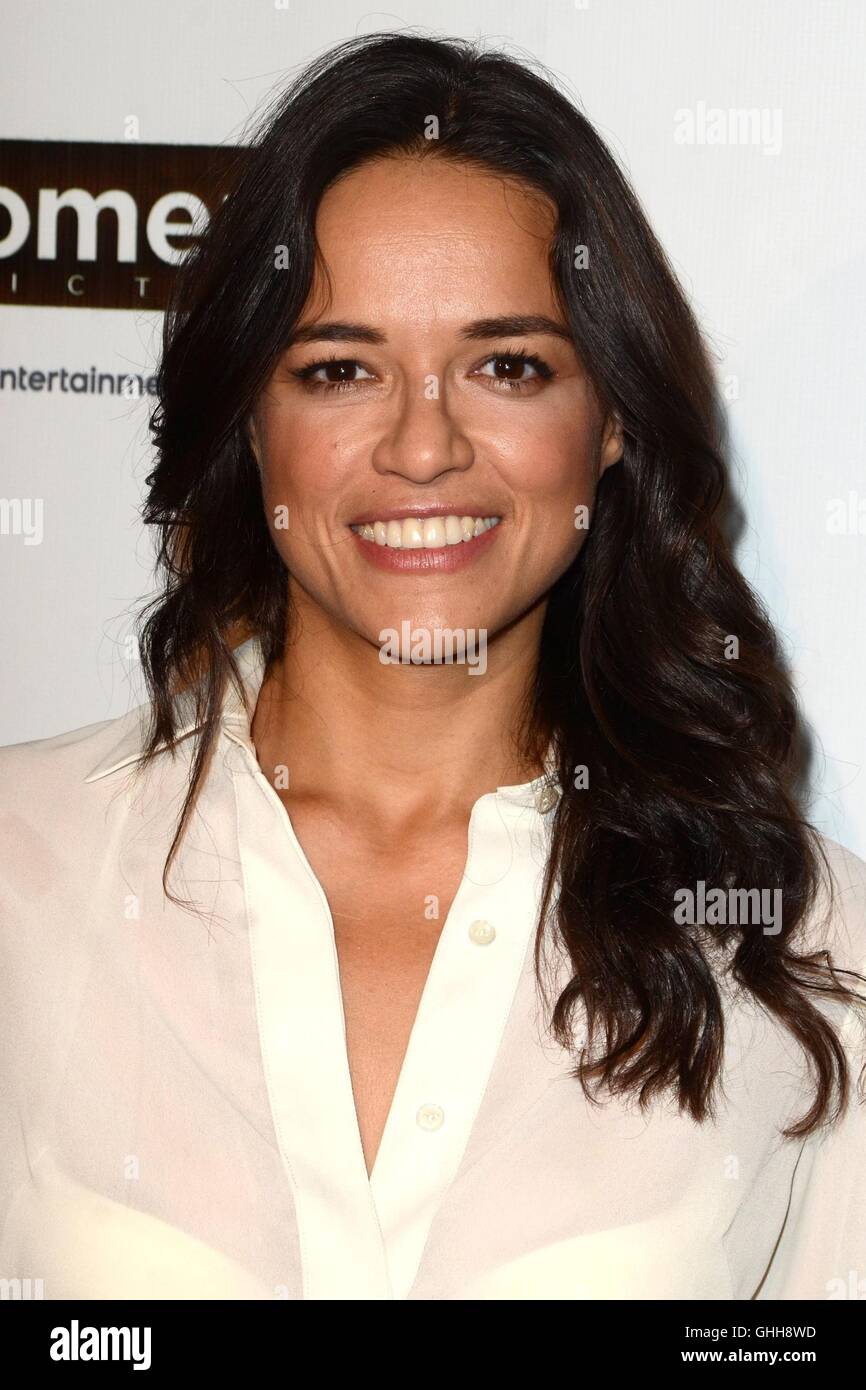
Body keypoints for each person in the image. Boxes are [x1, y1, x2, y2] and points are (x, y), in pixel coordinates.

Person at [1, 31, 864, 1302]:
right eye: (340, 368)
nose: (422, 446)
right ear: (251, 418)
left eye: (505, 365)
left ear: (611, 417)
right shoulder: (22, 865)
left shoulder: (805, 940)